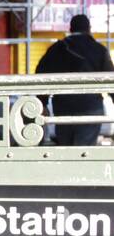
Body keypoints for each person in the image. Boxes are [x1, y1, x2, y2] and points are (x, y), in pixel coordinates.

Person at [35, 14, 113, 146]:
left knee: (66, 150)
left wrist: (42, 102)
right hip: (90, 108)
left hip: (63, 107)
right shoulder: (99, 50)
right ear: (89, 29)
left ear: (70, 28)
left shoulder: (57, 49)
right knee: (84, 151)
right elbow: (110, 78)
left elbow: (41, 73)